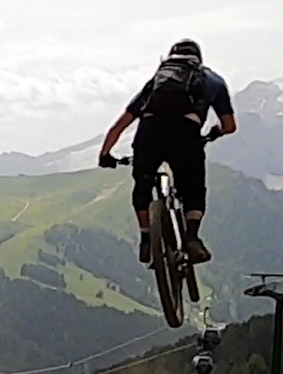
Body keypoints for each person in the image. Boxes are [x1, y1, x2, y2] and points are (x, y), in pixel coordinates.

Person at [98, 40, 238, 267]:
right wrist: (215, 133)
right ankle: (191, 237)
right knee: (193, 190)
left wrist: (105, 155)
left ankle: (146, 238)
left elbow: (120, 124)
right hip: (186, 135)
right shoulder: (212, 80)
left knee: (142, 185)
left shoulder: (156, 82)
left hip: (149, 133)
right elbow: (230, 125)